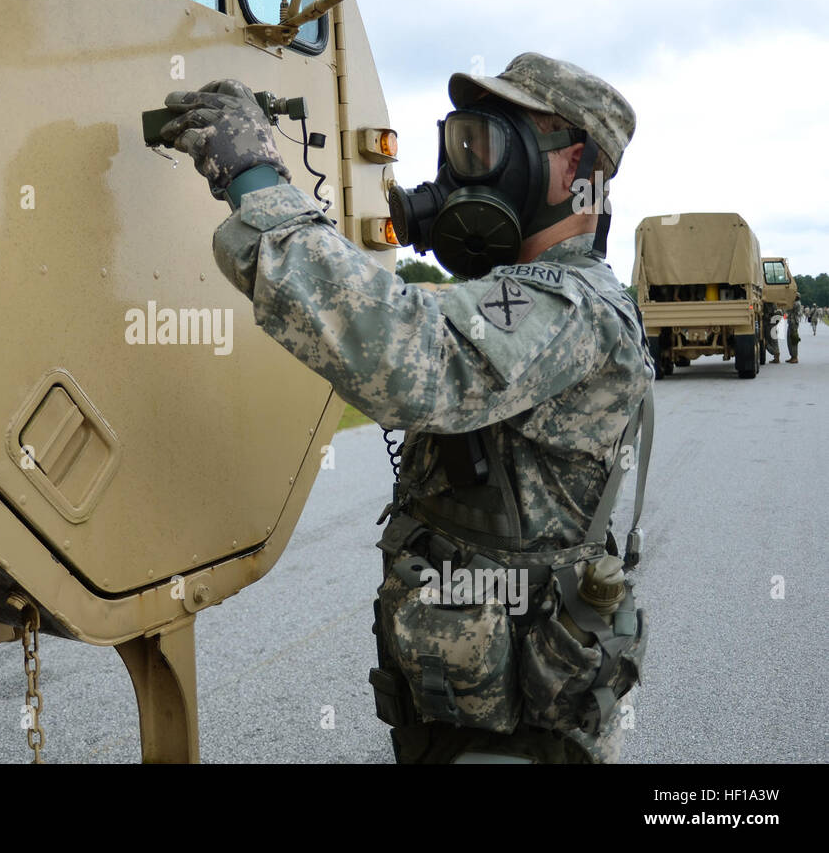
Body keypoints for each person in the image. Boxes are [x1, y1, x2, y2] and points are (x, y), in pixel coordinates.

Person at [159, 53, 652, 763]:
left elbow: (417, 356)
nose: (467, 171)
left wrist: (256, 178)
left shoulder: (572, 302)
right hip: (465, 699)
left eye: (487, 148)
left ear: (576, 168)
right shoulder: (518, 290)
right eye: (463, 143)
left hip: (524, 729)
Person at [786, 297, 802, 363]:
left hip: (793, 323)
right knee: (790, 340)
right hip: (791, 322)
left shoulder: (796, 303)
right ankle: (792, 356)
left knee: (793, 340)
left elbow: (788, 308)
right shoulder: (795, 303)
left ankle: (795, 357)